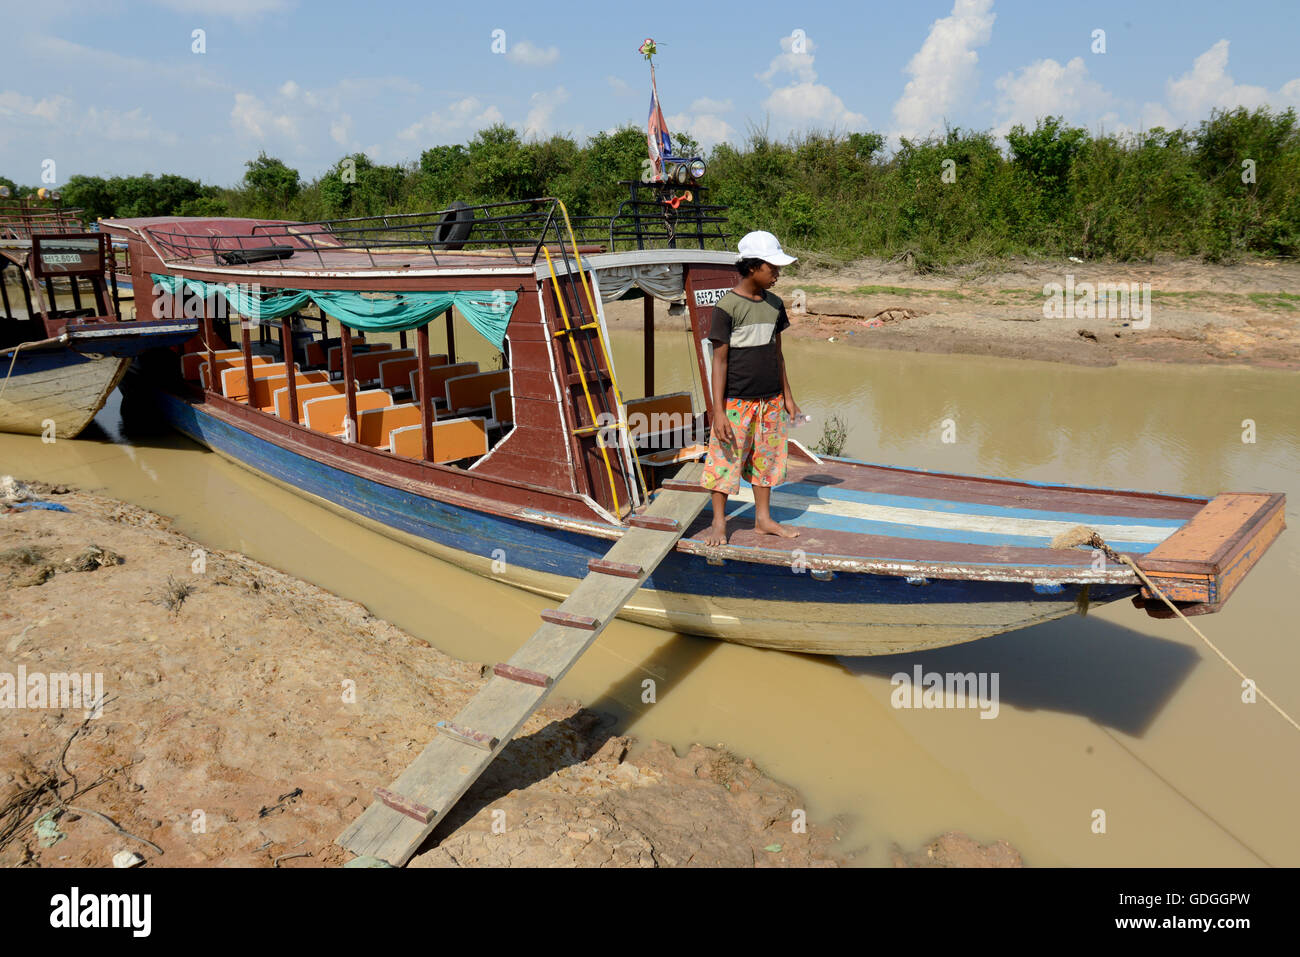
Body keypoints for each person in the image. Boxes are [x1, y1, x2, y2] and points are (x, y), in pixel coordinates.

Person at [701, 230, 802, 546]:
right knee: (725, 459)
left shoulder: (775, 305)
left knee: (768, 460)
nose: (777, 273)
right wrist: (718, 411)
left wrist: (788, 396)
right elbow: (719, 362)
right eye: (772, 267)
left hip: (770, 400)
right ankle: (719, 522)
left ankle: (763, 519)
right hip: (737, 403)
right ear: (753, 266)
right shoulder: (727, 307)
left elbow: (777, 352)